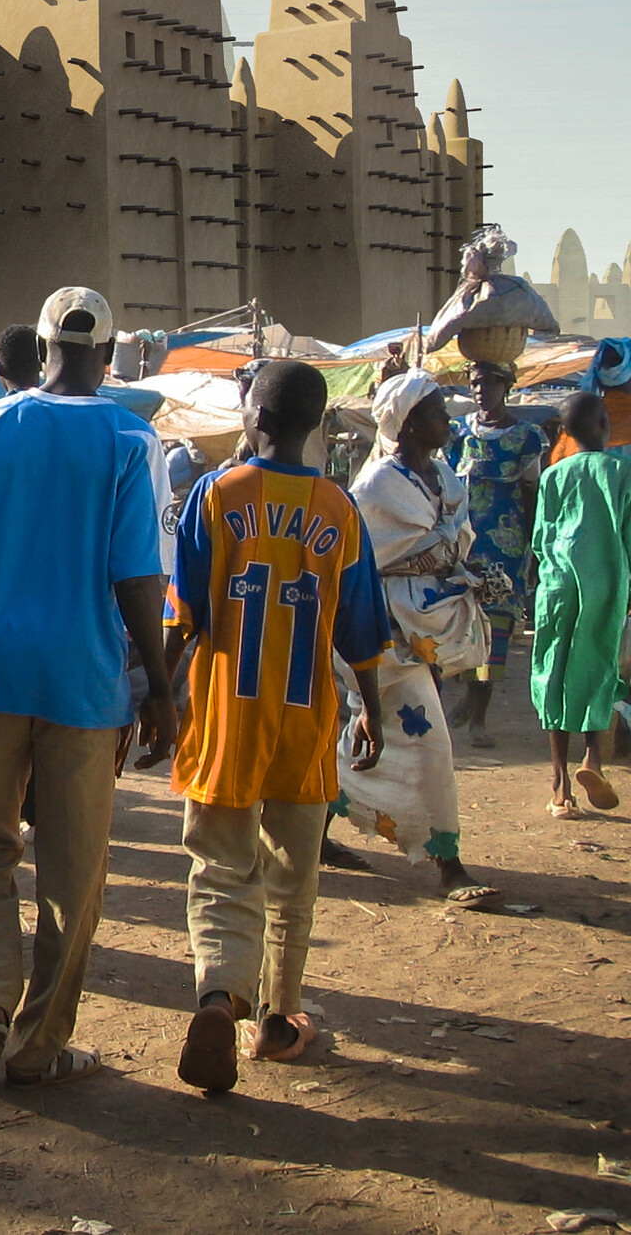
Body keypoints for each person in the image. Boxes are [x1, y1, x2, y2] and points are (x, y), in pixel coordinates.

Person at [0, 286, 175, 1086]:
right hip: (82, 677)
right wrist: (159, 684)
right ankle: (38, 1043)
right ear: (110, 357)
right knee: (73, 864)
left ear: (41, 346)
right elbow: (137, 576)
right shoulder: (131, 437)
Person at [165, 359, 390, 1094]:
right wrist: (375, 714)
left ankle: (215, 996)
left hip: (228, 717)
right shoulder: (339, 509)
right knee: (294, 877)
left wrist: (160, 695)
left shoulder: (215, 494)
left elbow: (185, 615)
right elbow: (361, 633)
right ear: (318, 428)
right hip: (305, 724)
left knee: (220, 869)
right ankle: (279, 1018)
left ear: (252, 420)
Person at [330, 368, 496, 899]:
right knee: (429, 744)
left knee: (375, 734)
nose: (447, 420)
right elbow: (363, 560)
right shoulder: (377, 485)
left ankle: (319, 812)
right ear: (405, 423)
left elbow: (457, 539)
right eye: (435, 412)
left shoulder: (446, 477)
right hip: (386, 631)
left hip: (431, 628)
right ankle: (448, 865)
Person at [531, 390, 631, 817]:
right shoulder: (621, 472)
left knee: (553, 668)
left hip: (556, 585)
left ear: (565, 433)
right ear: (605, 425)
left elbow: (540, 539)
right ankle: (592, 758)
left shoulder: (553, 475)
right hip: (605, 582)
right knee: (598, 664)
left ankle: (558, 785)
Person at [449, 355, 547, 745]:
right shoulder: (458, 433)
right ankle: (468, 699)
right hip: (464, 544)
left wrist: (535, 547)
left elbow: (531, 492)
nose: (480, 389)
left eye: (488, 382)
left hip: (506, 547)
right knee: (465, 624)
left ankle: (478, 716)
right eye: (474, 382)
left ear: (506, 387)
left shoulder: (526, 437)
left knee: (496, 629)